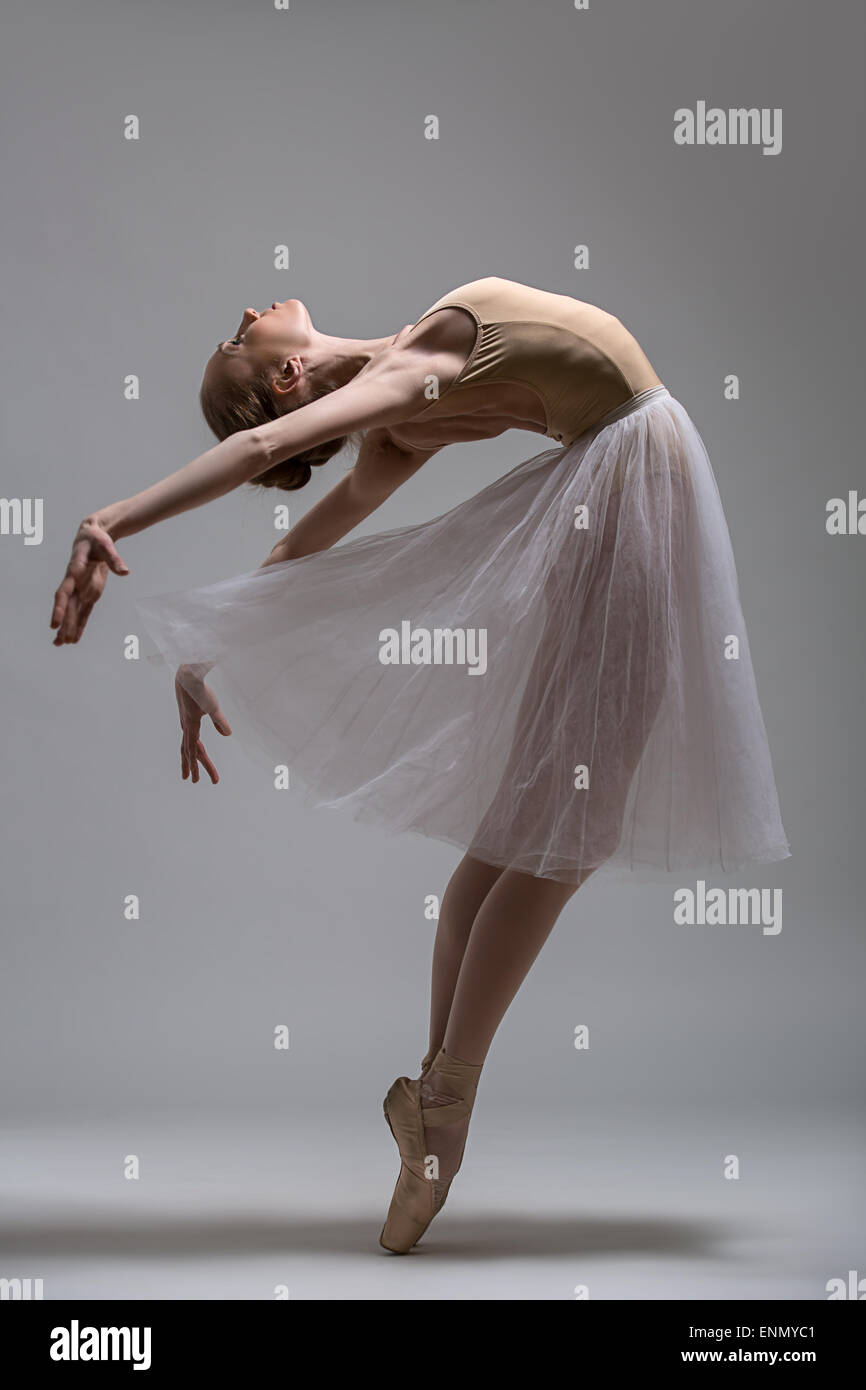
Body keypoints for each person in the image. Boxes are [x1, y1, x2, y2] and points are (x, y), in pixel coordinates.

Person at [50, 277, 789, 1253]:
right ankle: (442, 1104)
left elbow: (301, 527)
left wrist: (205, 644)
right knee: (569, 819)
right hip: (626, 486)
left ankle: (432, 1120)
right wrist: (114, 520)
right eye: (237, 344)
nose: (241, 311)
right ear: (284, 377)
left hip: (608, 488)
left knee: (540, 818)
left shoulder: (403, 392)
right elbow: (267, 456)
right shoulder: (412, 378)